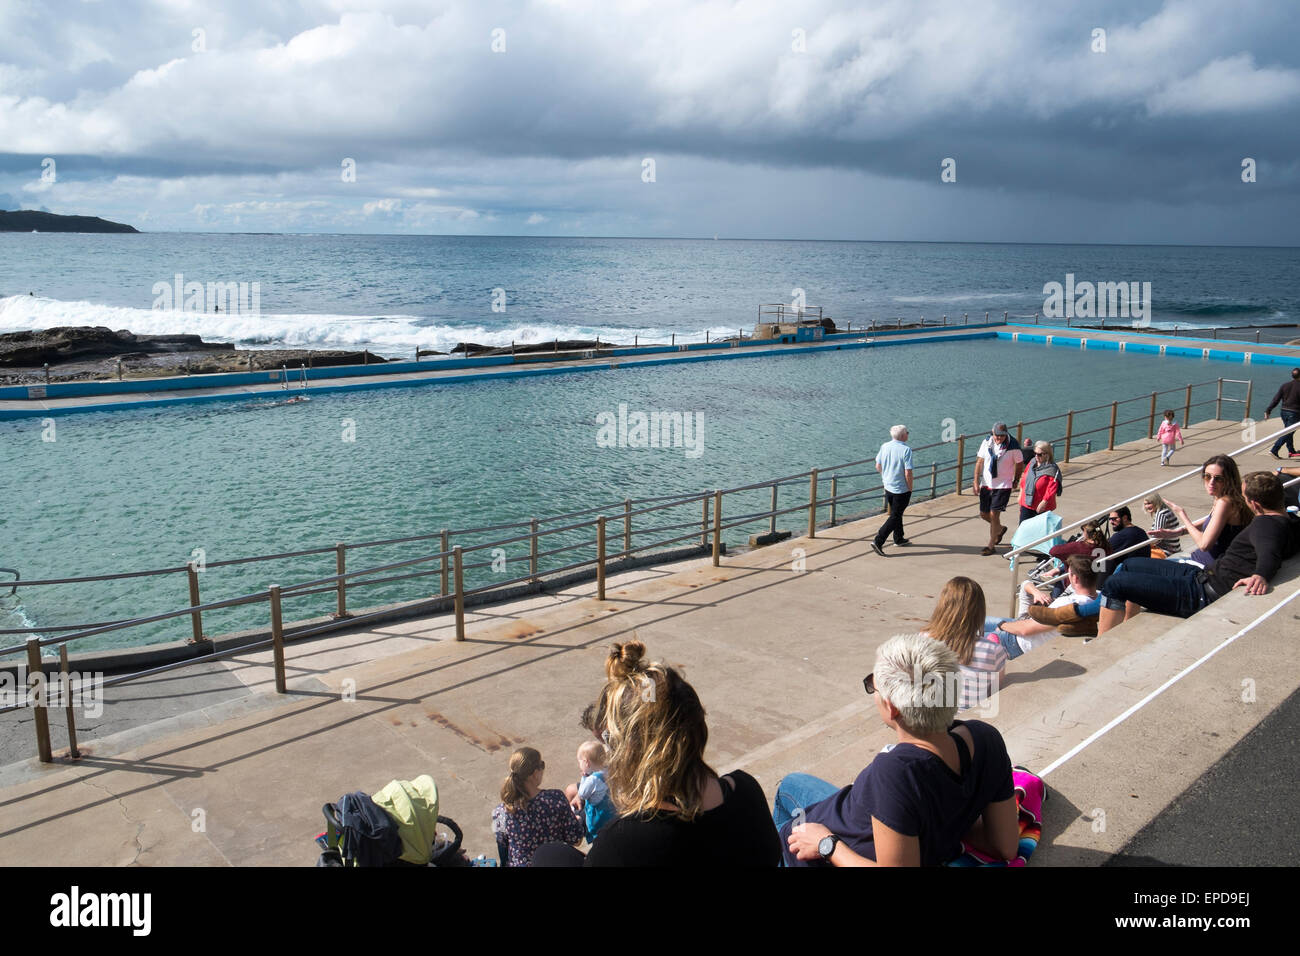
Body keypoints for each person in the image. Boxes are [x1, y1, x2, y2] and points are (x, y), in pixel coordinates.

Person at [774, 634, 1019, 866]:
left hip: (812, 847)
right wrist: (949, 821)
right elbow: (1005, 847)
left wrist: (826, 845)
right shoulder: (987, 740)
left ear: (892, 708)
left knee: (783, 797)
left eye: (874, 686)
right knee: (792, 783)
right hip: (860, 815)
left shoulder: (895, 772)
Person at [560, 641, 781, 866]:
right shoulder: (746, 792)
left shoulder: (621, 843)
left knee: (552, 855)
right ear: (698, 724)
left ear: (629, 751)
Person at [1083, 472, 1300, 633]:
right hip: (1202, 576)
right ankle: (1124, 624)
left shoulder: (1265, 525)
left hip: (1200, 593)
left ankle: (1103, 639)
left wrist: (1261, 574)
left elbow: (1268, 552)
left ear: (1255, 504)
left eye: (1244, 497)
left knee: (1115, 583)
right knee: (1131, 564)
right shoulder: (1285, 521)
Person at [990, 555, 1102, 657]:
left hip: (1017, 641)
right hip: (1022, 627)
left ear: (1075, 578)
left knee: (974, 633)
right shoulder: (1100, 597)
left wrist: (1002, 626)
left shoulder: (1067, 605)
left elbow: (1026, 630)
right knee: (978, 622)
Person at [921, 577, 1005, 712]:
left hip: (931, 717)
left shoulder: (922, 639)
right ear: (979, 612)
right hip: (969, 719)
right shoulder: (994, 650)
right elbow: (995, 690)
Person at [491, 746, 585, 866]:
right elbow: (576, 840)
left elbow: (503, 850)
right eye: (542, 765)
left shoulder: (500, 812)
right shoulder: (555, 799)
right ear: (534, 774)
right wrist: (578, 820)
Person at [1164, 454, 1253, 566]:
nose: (1211, 482)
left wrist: (1182, 514)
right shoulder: (1226, 498)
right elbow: (1213, 520)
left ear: (1229, 480)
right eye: (1207, 476)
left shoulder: (1225, 503)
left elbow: (1204, 545)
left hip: (1204, 567)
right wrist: (1181, 531)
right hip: (1199, 559)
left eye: (1218, 478)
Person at [974, 422, 1024, 556]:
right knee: (984, 514)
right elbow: (980, 461)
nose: (999, 438)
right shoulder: (987, 442)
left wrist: (1016, 480)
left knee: (994, 514)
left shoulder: (1013, 446)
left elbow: (1019, 464)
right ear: (992, 432)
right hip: (986, 484)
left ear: (1006, 434)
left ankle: (991, 545)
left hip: (1003, 485)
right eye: (997, 435)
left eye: (1002, 436)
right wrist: (975, 481)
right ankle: (1000, 529)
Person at [871, 424, 914, 555]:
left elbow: (878, 465)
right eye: (907, 432)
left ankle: (898, 538)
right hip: (901, 489)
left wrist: (886, 477)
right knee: (895, 515)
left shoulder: (884, 446)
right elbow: (908, 472)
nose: (908, 434)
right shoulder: (906, 450)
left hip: (888, 486)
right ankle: (878, 540)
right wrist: (910, 487)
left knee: (897, 512)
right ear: (902, 436)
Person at [565, 740, 616, 842]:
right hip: (610, 811)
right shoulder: (607, 770)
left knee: (574, 812)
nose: (579, 764)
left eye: (579, 761)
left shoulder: (592, 780)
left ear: (587, 762)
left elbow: (582, 794)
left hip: (597, 813)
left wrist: (584, 777)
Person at [1018, 440, 1062, 524]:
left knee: (1039, 532)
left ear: (1047, 454)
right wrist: (1020, 494)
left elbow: (1052, 489)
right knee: (1023, 528)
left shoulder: (1052, 470)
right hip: (1026, 503)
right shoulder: (1032, 462)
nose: (1036, 456)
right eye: (1035, 453)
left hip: (1041, 506)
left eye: (1039, 454)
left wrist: (1044, 502)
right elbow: (1025, 478)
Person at [1264, 368, 1300, 459]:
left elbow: (1276, 399)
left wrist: (1268, 410)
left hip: (1284, 412)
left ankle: (1291, 451)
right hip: (1295, 413)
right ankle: (1274, 450)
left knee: (1288, 431)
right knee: (1288, 432)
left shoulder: (1285, 385)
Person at [1105, 506, 1150, 572]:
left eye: (1114, 519)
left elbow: (1101, 549)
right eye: (1110, 519)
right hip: (1142, 570)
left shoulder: (1122, 535)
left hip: (1128, 573)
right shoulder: (1141, 531)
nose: (1111, 522)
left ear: (1125, 518)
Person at [1143, 491, 1182, 556]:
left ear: (1156, 502)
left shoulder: (1161, 514)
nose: (1147, 506)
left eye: (1149, 503)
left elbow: (1156, 537)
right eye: (1145, 504)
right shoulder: (1165, 510)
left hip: (1167, 551)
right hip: (1174, 548)